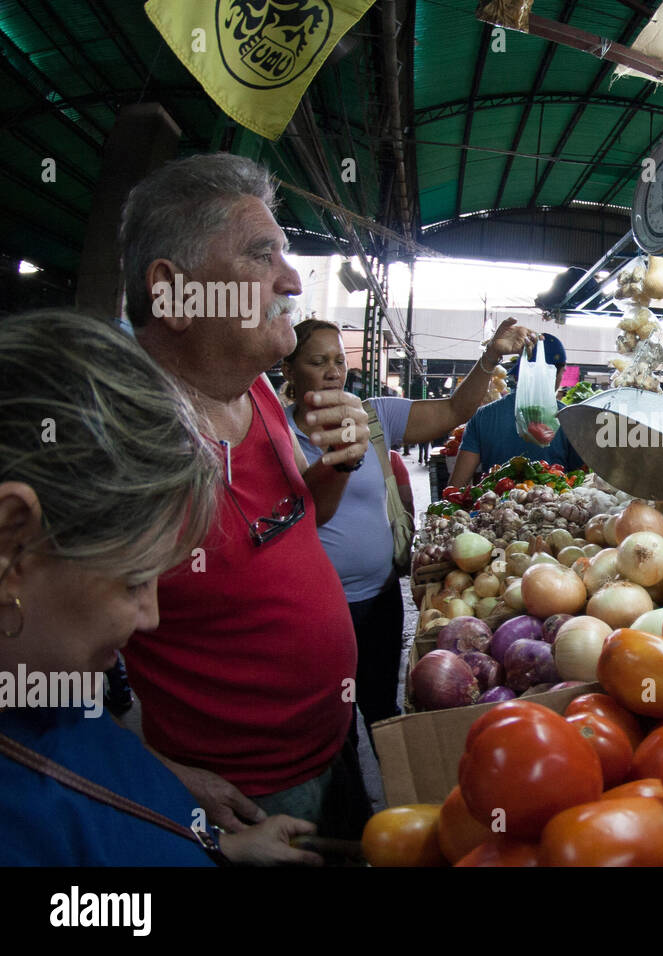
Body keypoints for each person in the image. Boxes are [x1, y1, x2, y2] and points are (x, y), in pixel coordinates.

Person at [0, 310, 321, 866]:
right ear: (13, 541)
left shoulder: (48, 681)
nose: (150, 617)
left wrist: (223, 848)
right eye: (133, 578)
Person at [118, 153, 374, 838]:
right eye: (263, 256)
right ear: (173, 293)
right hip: (246, 800)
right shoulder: (121, 444)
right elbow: (35, 653)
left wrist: (338, 466)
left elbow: (297, 518)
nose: (292, 279)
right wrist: (159, 778)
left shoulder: (254, 386)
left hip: (332, 740)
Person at [280, 317, 532, 733]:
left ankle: (395, 781)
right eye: (317, 361)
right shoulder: (276, 431)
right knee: (325, 719)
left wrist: (489, 357)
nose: (332, 371)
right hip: (314, 607)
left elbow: (454, 411)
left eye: (339, 361)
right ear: (289, 370)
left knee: (382, 706)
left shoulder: (373, 417)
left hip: (379, 599)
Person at [448, 332, 584, 489]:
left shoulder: (482, 416)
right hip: (554, 510)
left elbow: (456, 486)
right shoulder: (571, 418)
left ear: (519, 373)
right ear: (557, 373)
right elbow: (580, 482)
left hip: (495, 509)